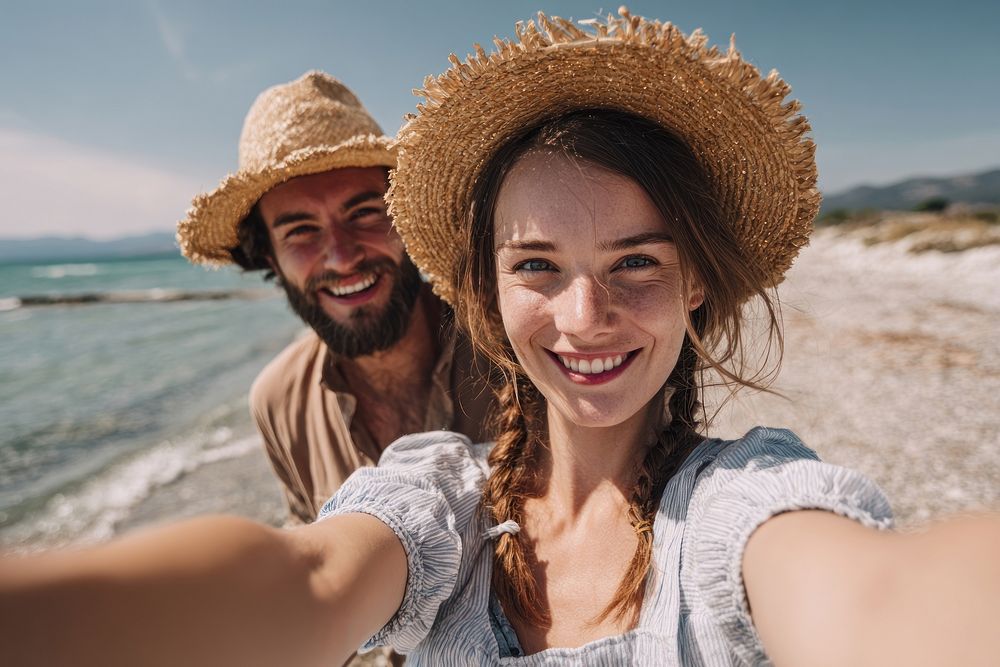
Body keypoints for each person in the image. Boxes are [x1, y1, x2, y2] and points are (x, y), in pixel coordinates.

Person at [2, 10, 999, 666]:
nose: (582, 316)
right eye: (536, 266)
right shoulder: (425, 483)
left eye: (635, 261)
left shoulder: (736, 507)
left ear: (696, 280)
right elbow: (305, 574)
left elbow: (869, 598)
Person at [177, 70, 493, 525]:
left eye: (363, 213)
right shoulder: (279, 401)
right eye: (301, 231)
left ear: (407, 218)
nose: (342, 258)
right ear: (269, 257)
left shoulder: (505, 344)